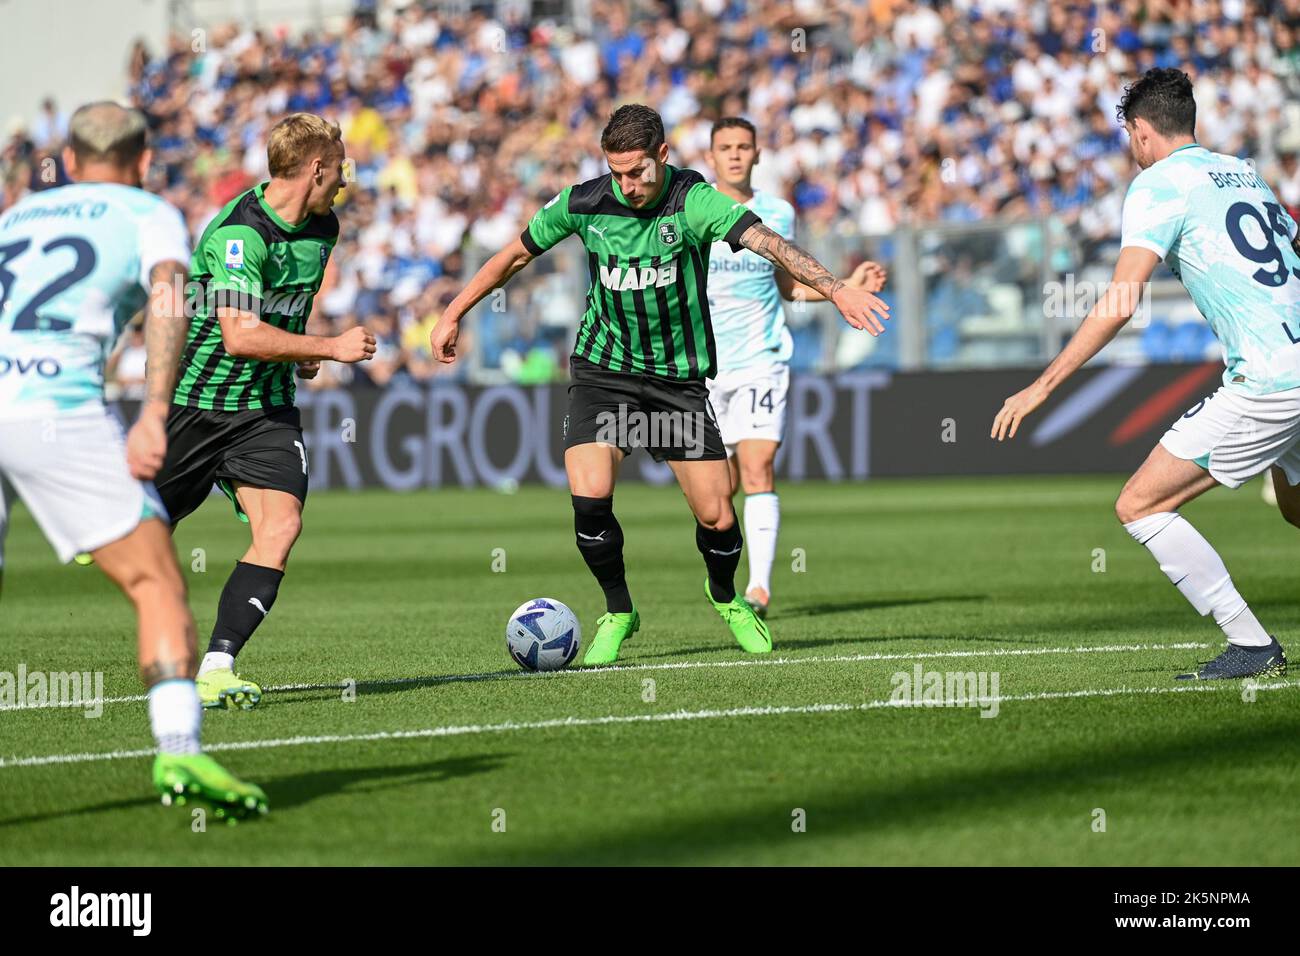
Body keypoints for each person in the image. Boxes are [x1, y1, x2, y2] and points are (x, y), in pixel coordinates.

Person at [431, 104, 889, 665]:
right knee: (590, 494)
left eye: (638, 172)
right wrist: (454, 311)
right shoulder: (585, 201)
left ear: (663, 157)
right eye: (617, 172)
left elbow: (768, 242)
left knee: (719, 517)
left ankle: (725, 597)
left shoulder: (693, 201)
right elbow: (513, 257)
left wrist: (836, 287)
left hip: (676, 382)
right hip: (606, 372)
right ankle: (619, 610)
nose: (627, 185)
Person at [0, 102, 266, 817]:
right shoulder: (148, 212)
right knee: (155, 581)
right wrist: (153, 414)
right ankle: (181, 756)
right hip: (51, 409)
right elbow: (168, 302)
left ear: (72, 159)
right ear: (143, 160)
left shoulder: (15, 218)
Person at [992, 68, 1291, 681]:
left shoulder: (1158, 183)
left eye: (1129, 134)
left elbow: (1123, 299)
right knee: (1294, 508)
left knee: (1140, 504)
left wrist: (1042, 384)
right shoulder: (1247, 173)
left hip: (1271, 379)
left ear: (1142, 132)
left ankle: (1252, 644)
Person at [153, 113, 376, 708]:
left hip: (266, 412)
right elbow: (241, 336)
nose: (346, 177)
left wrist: (298, 355)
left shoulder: (323, 226)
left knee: (280, 526)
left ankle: (217, 665)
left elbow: (280, 318)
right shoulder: (240, 233)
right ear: (316, 167)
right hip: (198, 405)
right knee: (143, 534)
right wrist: (329, 347)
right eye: (340, 164)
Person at [703, 116, 886, 616]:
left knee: (759, 468)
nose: (736, 155)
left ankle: (758, 589)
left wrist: (844, 285)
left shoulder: (777, 214)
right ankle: (721, 575)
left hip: (763, 360)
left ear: (758, 155)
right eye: (726, 147)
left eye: (744, 146)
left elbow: (790, 288)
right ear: (711, 156)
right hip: (703, 369)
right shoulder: (696, 210)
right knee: (719, 493)